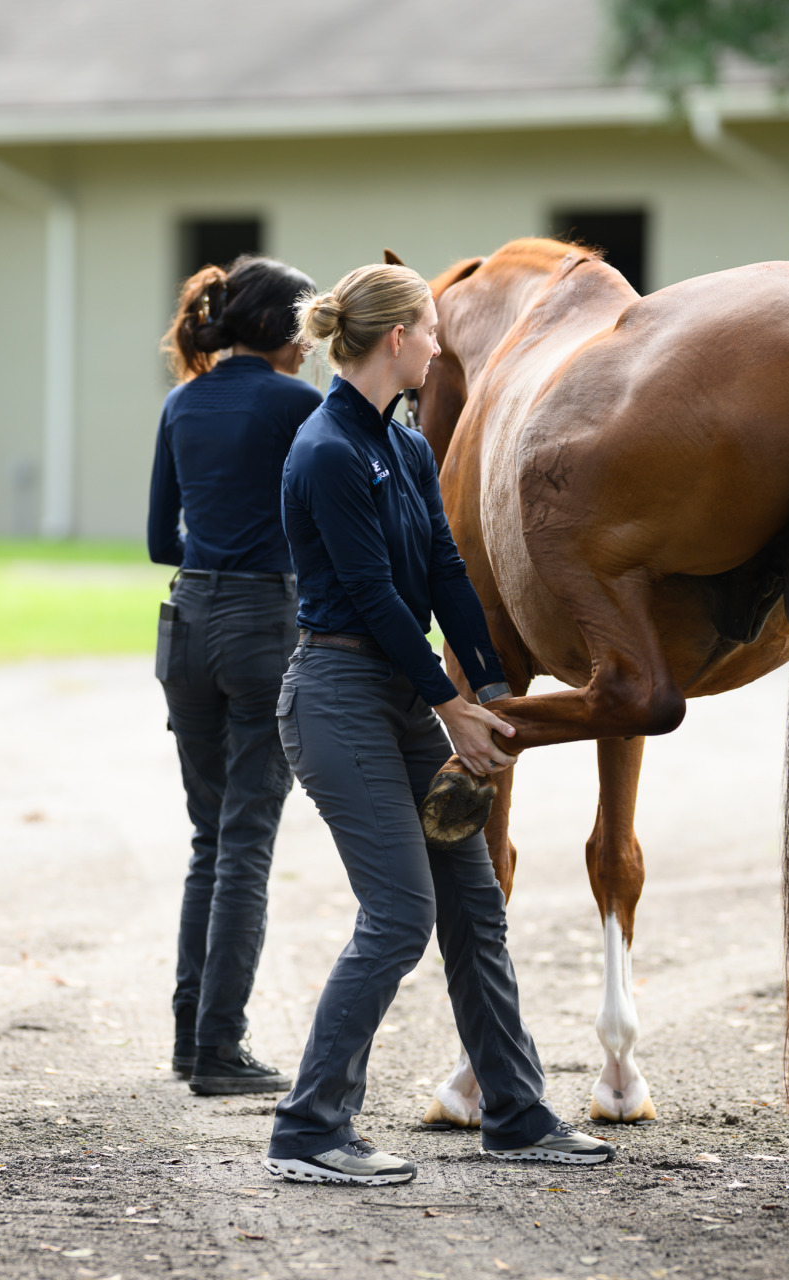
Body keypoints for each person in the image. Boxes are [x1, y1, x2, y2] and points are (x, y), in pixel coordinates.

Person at [262, 263, 615, 1185]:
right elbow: (374, 596)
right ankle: (307, 1130)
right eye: (430, 329)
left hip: (395, 690)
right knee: (399, 917)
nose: (439, 345)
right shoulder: (326, 450)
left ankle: (517, 1113)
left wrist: (490, 688)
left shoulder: (408, 444)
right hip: (337, 697)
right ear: (396, 340)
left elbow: (447, 573)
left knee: (473, 904)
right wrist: (449, 704)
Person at [148, 256, 324, 1095]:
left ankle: (193, 1039)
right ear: (285, 329)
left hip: (185, 621)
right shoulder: (297, 405)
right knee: (248, 840)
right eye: (308, 325)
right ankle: (221, 1051)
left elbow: (161, 539)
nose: (312, 343)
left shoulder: (181, 403)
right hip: (262, 624)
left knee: (210, 838)